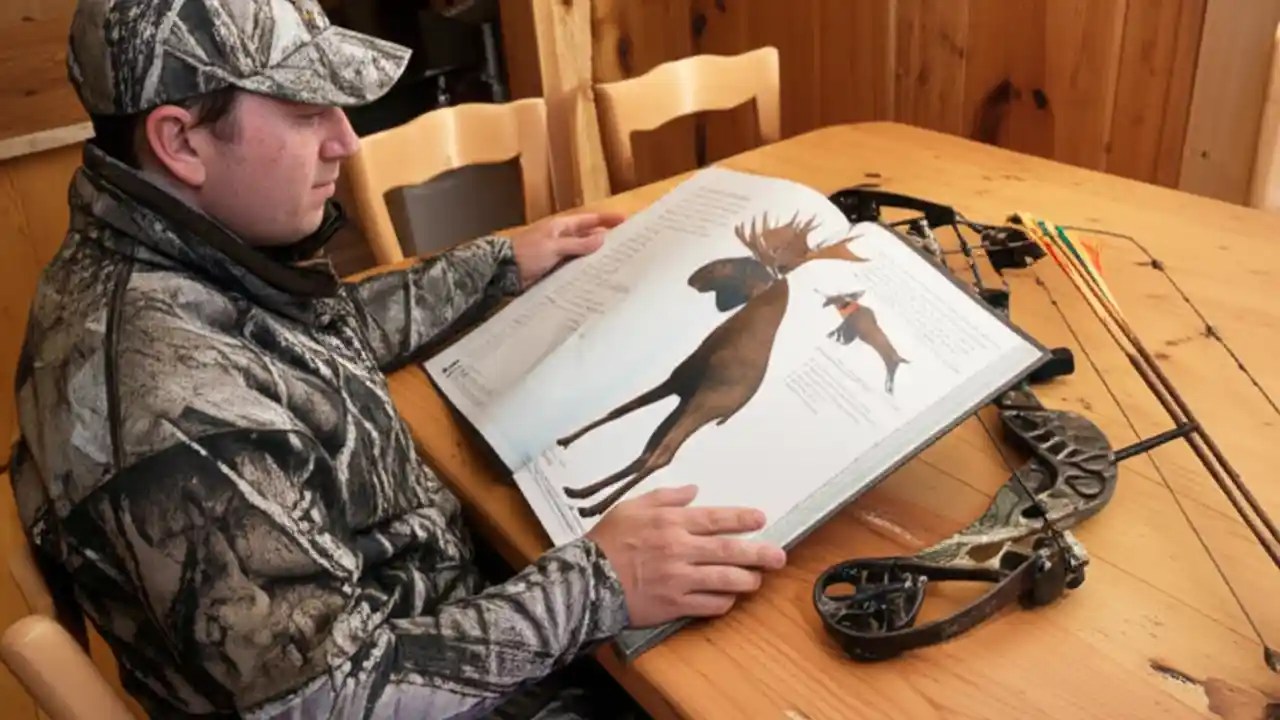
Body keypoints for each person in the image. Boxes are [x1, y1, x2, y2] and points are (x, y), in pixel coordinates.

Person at [8, 1, 788, 718]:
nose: (346, 140)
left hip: (427, 604)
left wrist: (495, 265)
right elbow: (324, 698)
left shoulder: (170, 259)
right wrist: (598, 584)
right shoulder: (171, 413)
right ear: (180, 141)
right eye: (308, 112)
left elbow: (304, 340)